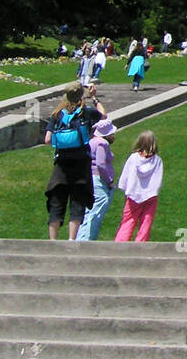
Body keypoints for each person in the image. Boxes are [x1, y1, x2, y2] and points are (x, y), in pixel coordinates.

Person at [43, 82, 107, 240]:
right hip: (81, 163)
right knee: (77, 201)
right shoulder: (86, 113)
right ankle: (72, 239)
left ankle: (53, 240)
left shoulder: (57, 114)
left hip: (61, 165)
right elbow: (103, 116)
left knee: (57, 202)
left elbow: (47, 139)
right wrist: (94, 97)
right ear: (81, 96)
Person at [115, 130, 164, 243]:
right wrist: (154, 190)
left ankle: (120, 243)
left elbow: (125, 175)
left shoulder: (133, 158)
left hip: (133, 194)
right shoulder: (157, 161)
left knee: (128, 220)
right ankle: (141, 243)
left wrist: (124, 187)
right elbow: (158, 178)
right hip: (150, 196)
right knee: (146, 221)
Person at [75, 119, 117, 241]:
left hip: (89, 179)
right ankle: (87, 240)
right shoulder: (102, 143)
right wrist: (109, 181)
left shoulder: (92, 141)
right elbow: (100, 164)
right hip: (98, 180)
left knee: (89, 211)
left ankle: (81, 238)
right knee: (96, 211)